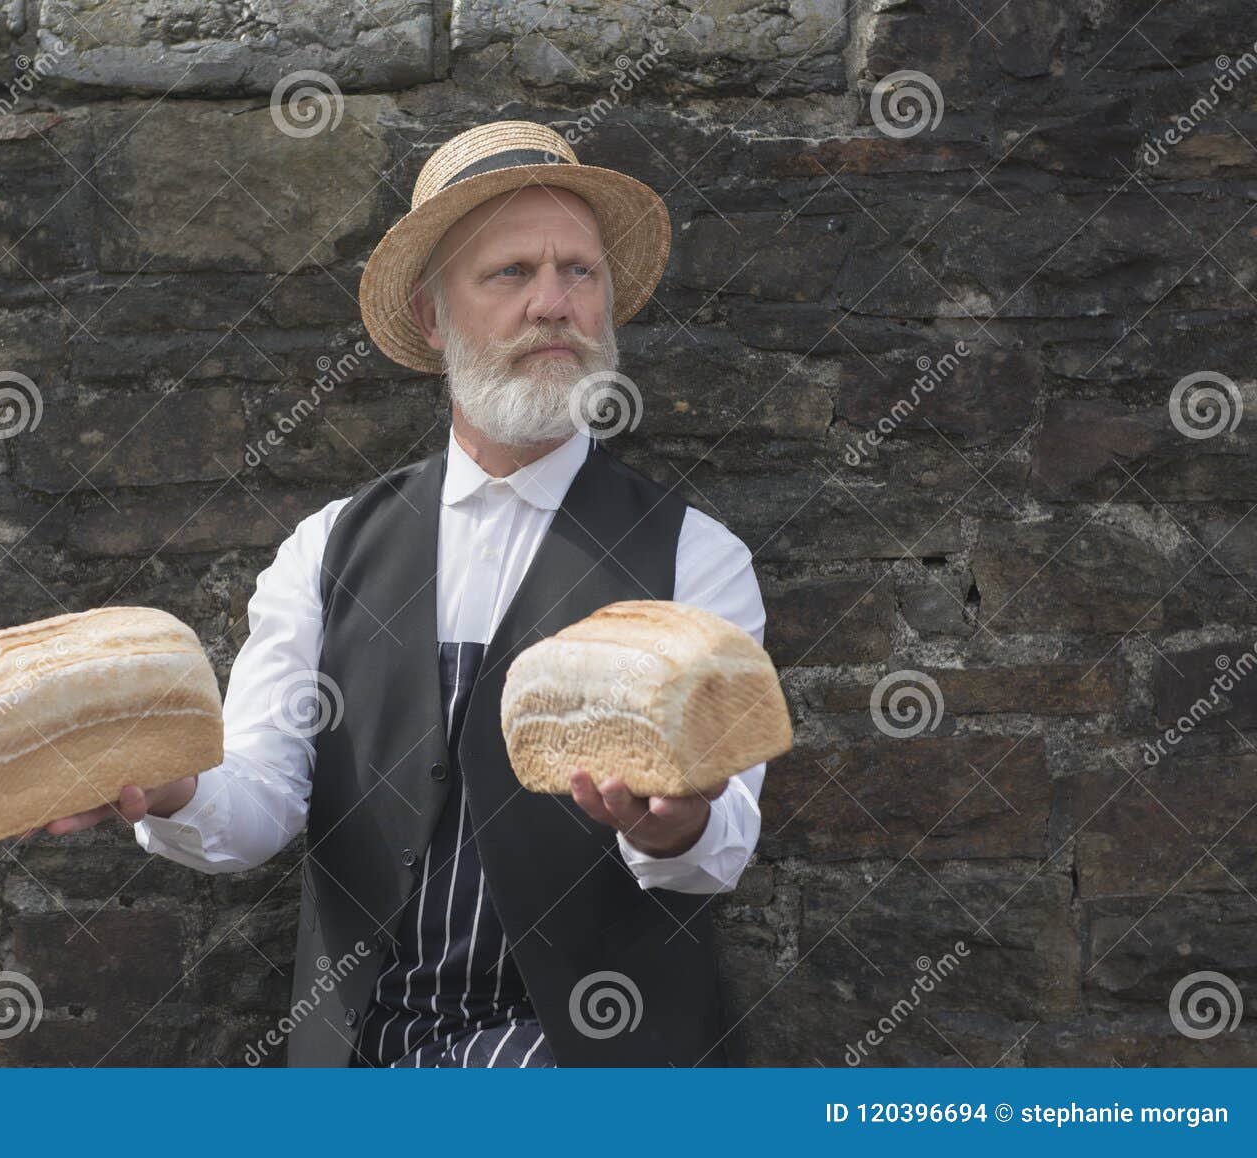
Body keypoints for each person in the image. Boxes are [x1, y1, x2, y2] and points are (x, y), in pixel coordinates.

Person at [40, 121, 769, 1067]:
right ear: (433, 319)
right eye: (511, 273)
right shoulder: (326, 549)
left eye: (580, 272)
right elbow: (259, 800)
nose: (554, 303)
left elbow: (725, 843)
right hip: (360, 1057)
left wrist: (679, 825)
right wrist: (170, 787)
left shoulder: (695, 558)